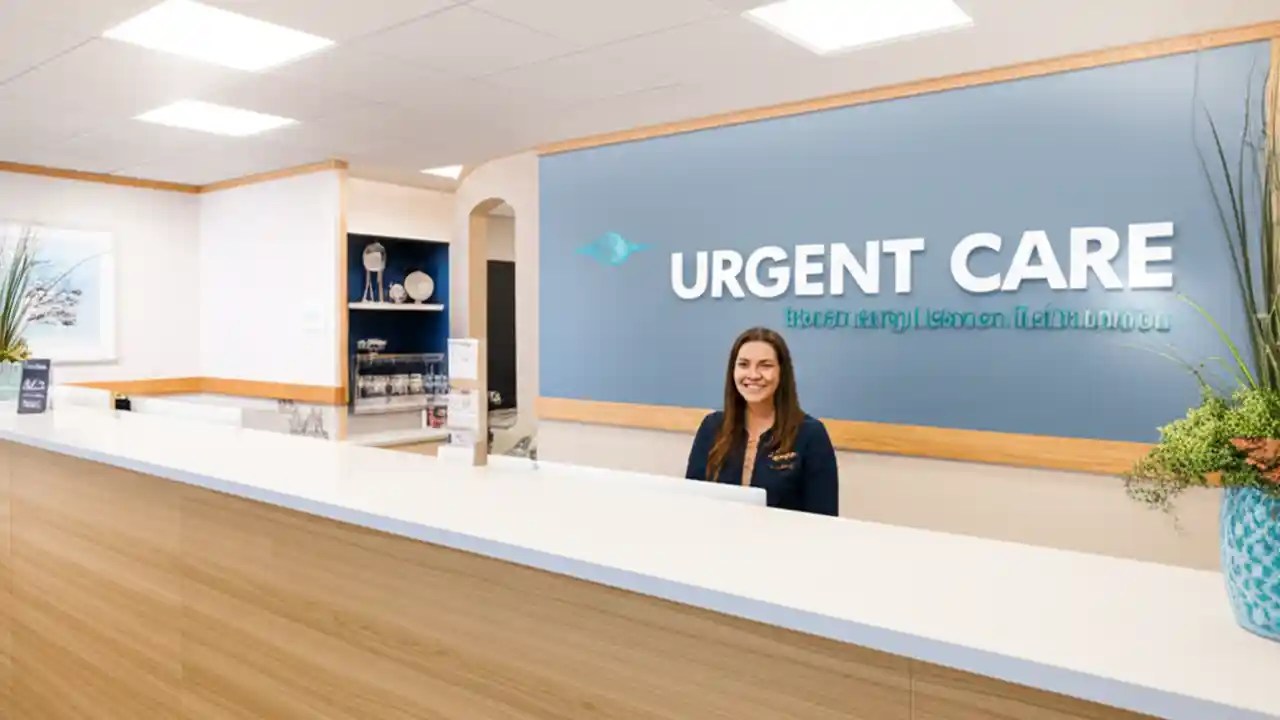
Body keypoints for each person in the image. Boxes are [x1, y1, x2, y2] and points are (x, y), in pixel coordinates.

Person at [685, 327, 839, 516]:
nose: (753, 374)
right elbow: (691, 502)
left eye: (765, 365)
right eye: (743, 364)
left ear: (782, 373)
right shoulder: (711, 427)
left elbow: (825, 519)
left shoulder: (811, 434)